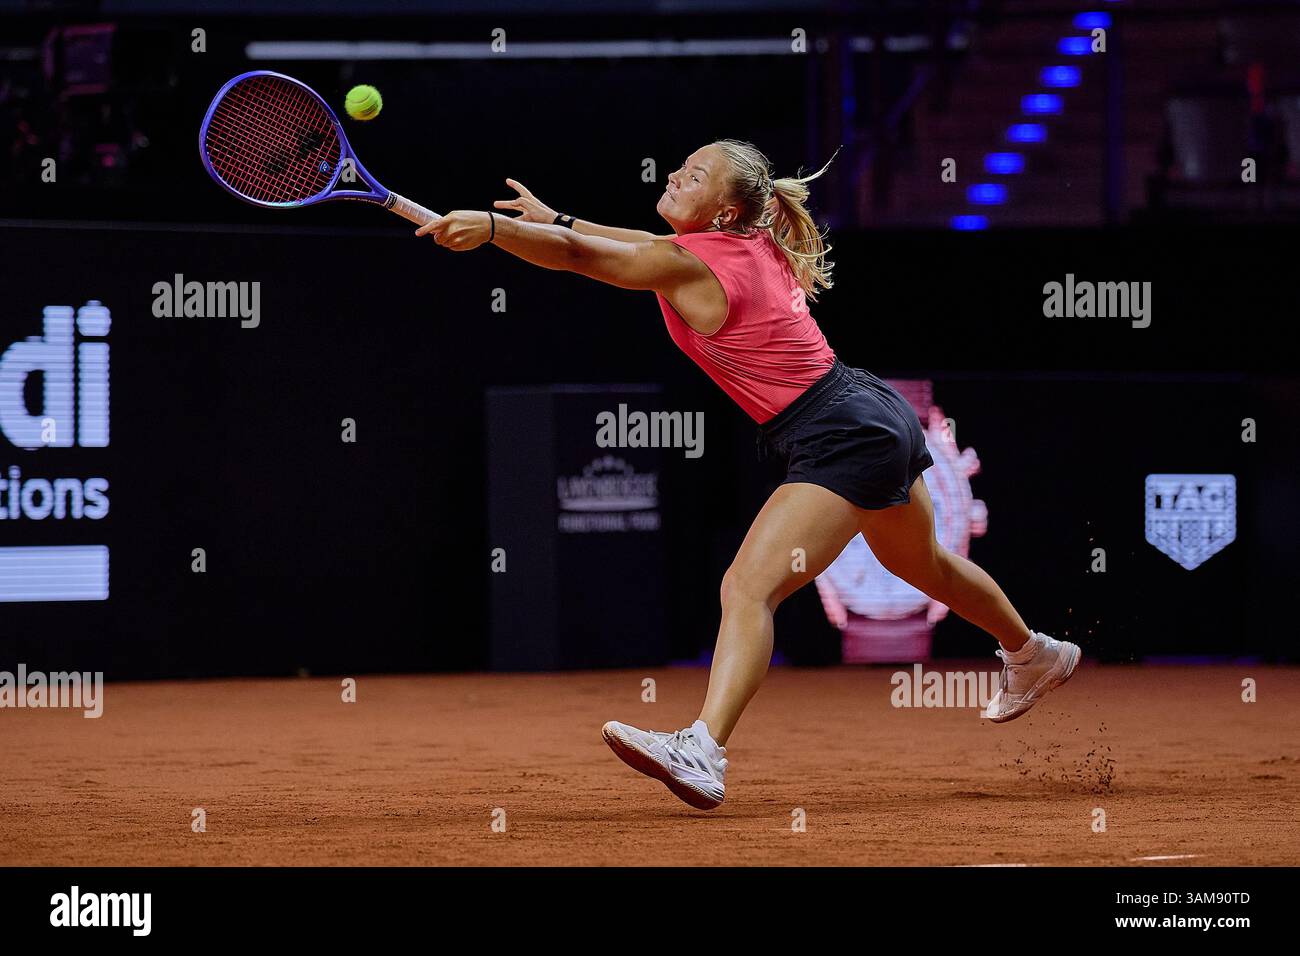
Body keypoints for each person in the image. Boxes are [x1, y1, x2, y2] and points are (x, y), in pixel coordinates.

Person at [417, 139, 1080, 811]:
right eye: (682, 165)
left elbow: (590, 257)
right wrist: (554, 220)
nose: (676, 173)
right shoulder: (737, 244)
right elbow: (630, 243)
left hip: (840, 432)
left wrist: (499, 229)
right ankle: (1033, 652)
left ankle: (703, 749)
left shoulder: (692, 263)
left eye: (694, 174)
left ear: (727, 213)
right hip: (869, 410)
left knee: (748, 587)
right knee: (925, 566)